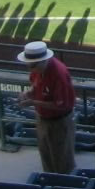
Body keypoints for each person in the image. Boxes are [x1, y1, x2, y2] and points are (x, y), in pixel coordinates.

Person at [16, 40, 75, 173]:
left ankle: (64, 187)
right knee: (46, 154)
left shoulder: (59, 74)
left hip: (59, 122)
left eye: (32, 66)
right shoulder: (39, 68)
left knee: (62, 160)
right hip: (43, 119)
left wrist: (33, 102)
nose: (29, 69)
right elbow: (36, 83)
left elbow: (61, 106)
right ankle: (50, 183)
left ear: (42, 61)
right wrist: (29, 92)